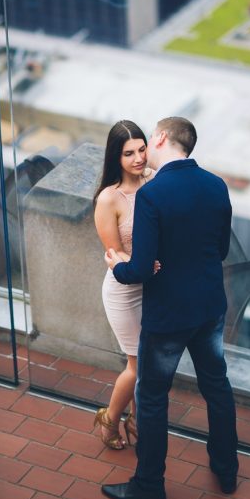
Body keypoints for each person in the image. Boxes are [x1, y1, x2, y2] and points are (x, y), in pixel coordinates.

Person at [101, 117, 239, 499]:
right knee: (217, 387)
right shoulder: (216, 185)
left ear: (161, 137)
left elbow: (141, 270)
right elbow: (221, 250)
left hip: (168, 314)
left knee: (152, 396)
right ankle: (227, 470)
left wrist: (117, 267)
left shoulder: (153, 194)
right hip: (209, 306)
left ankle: (149, 485)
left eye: (149, 138)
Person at [91, 120, 154, 450]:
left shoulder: (155, 181)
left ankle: (137, 422)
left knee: (149, 361)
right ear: (116, 156)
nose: (138, 158)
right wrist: (146, 264)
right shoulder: (108, 199)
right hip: (124, 291)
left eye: (142, 149)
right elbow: (114, 254)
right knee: (138, 364)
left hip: (154, 286)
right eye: (129, 153)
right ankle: (109, 420)